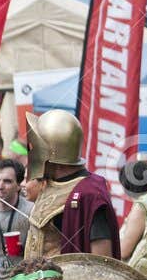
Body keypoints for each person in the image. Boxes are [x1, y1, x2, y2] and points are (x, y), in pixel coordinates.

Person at [24, 110, 121, 259]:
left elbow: (102, 262)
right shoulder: (50, 184)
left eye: (36, 147)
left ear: (51, 152)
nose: (31, 153)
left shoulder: (89, 194)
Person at [0, 158, 32, 274]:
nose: (0, 186)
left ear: (18, 185)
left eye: (7, 181)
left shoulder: (31, 211)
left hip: (23, 277)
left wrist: (25, 249)